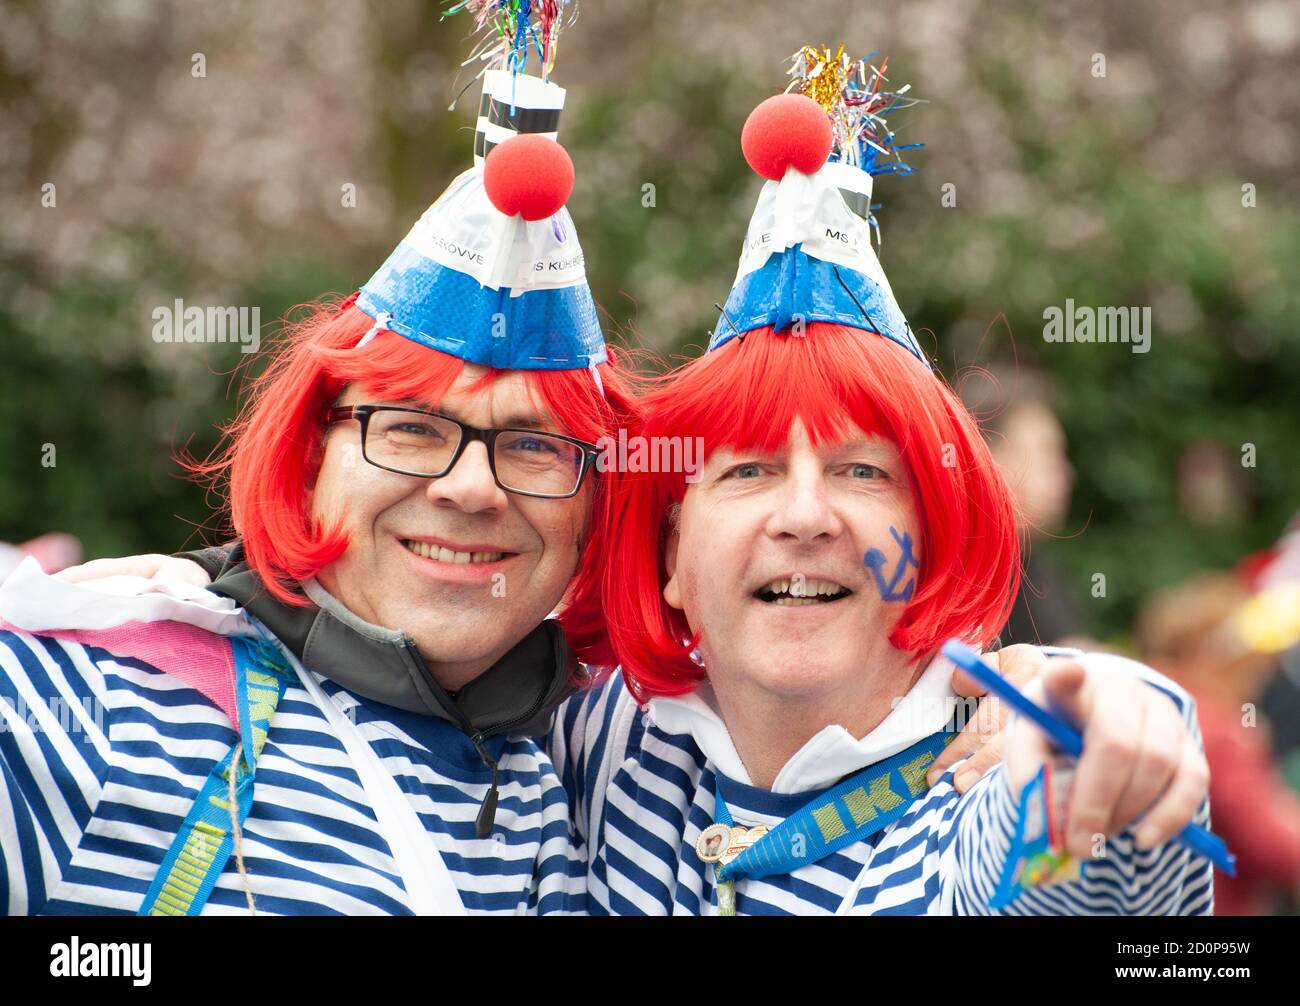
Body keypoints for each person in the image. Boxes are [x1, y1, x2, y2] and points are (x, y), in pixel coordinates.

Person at [0, 8, 639, 915]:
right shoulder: (107, 709)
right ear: (311, 456)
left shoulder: (613, 781)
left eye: (534, 446)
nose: (469, 488)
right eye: (411, 427)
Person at [552, 47, 1215, 915]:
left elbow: (1093, 860)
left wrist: (1113, 741)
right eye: (749, 469)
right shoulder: (595, 749)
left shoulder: (974, 789)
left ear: (931, 535)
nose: (803, 513)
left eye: (861, 470)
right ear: (673, 553)